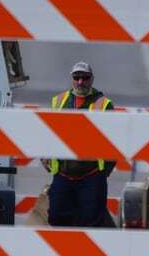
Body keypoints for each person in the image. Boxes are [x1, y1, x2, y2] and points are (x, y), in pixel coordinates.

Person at [44, 60, 115, 227]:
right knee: (57, 218)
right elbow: (47, 132)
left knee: (91, 222)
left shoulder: (103, 104)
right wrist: (44, 156)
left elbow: (113, 142)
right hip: (63, 175)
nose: (80, 82)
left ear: (92, 79)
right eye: (77, 78)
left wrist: (103, 173)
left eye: (85, 77)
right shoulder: (58, 101)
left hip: (91, 176)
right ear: (72, 79)